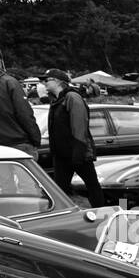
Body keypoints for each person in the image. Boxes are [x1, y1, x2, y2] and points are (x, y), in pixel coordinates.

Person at [42, 69, 105, 207]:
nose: (44, 82)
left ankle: (102, 214)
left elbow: (79, 126)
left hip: (77, 152)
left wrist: (78, 152)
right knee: (59, 191)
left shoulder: (72, 97)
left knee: (92, 186)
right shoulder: (56, 100)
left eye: (47, 80)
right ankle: (62, 218)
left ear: (58, 81)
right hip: (61, 155)